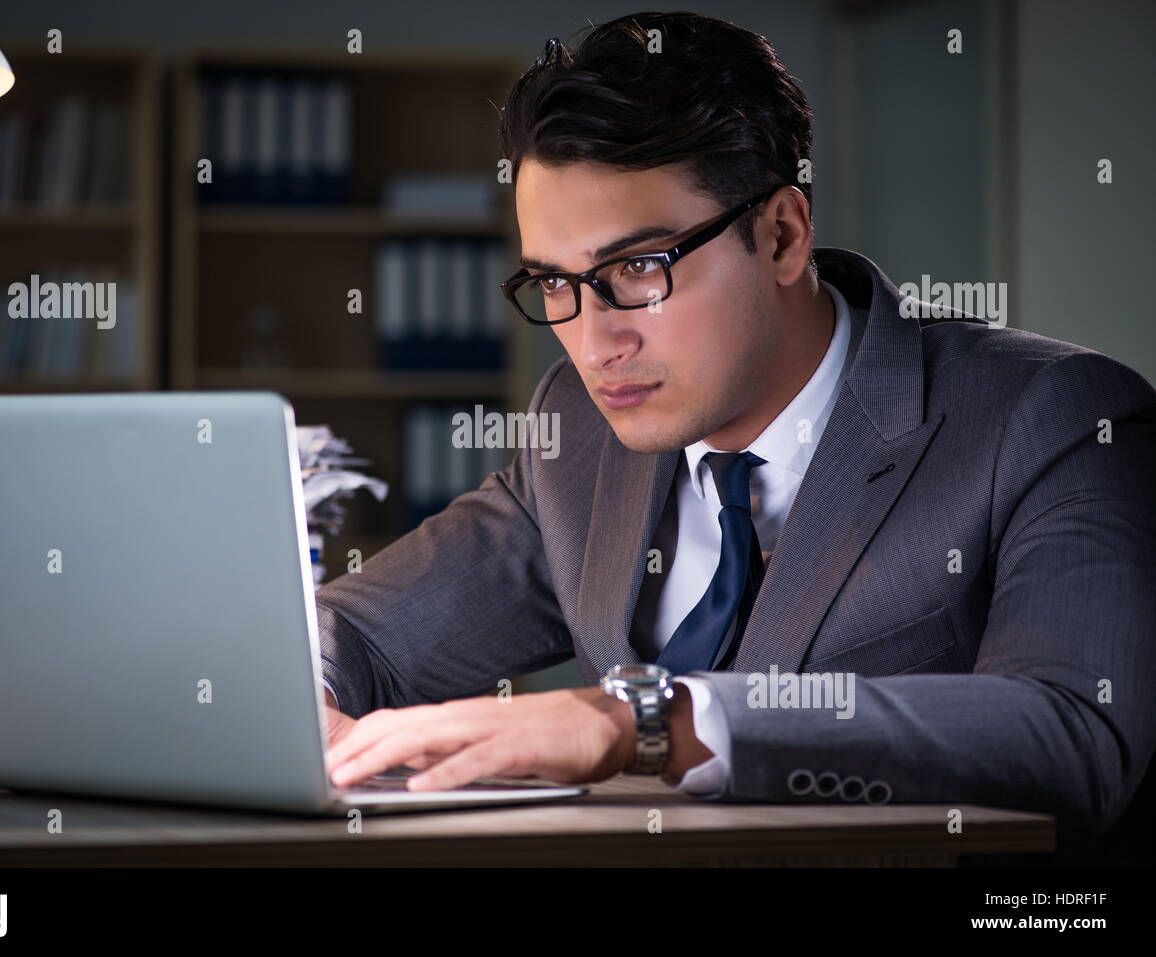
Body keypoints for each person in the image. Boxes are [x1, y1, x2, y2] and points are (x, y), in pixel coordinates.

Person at [313, 11, 1155, 859]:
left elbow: (1072, 731)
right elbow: (365, 634)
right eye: (554, 283)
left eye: (638, 269)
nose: (594, 342)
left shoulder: (1056, 413)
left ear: (783, 235)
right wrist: (298, 693)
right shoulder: (577, 425)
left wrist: (646, 722)